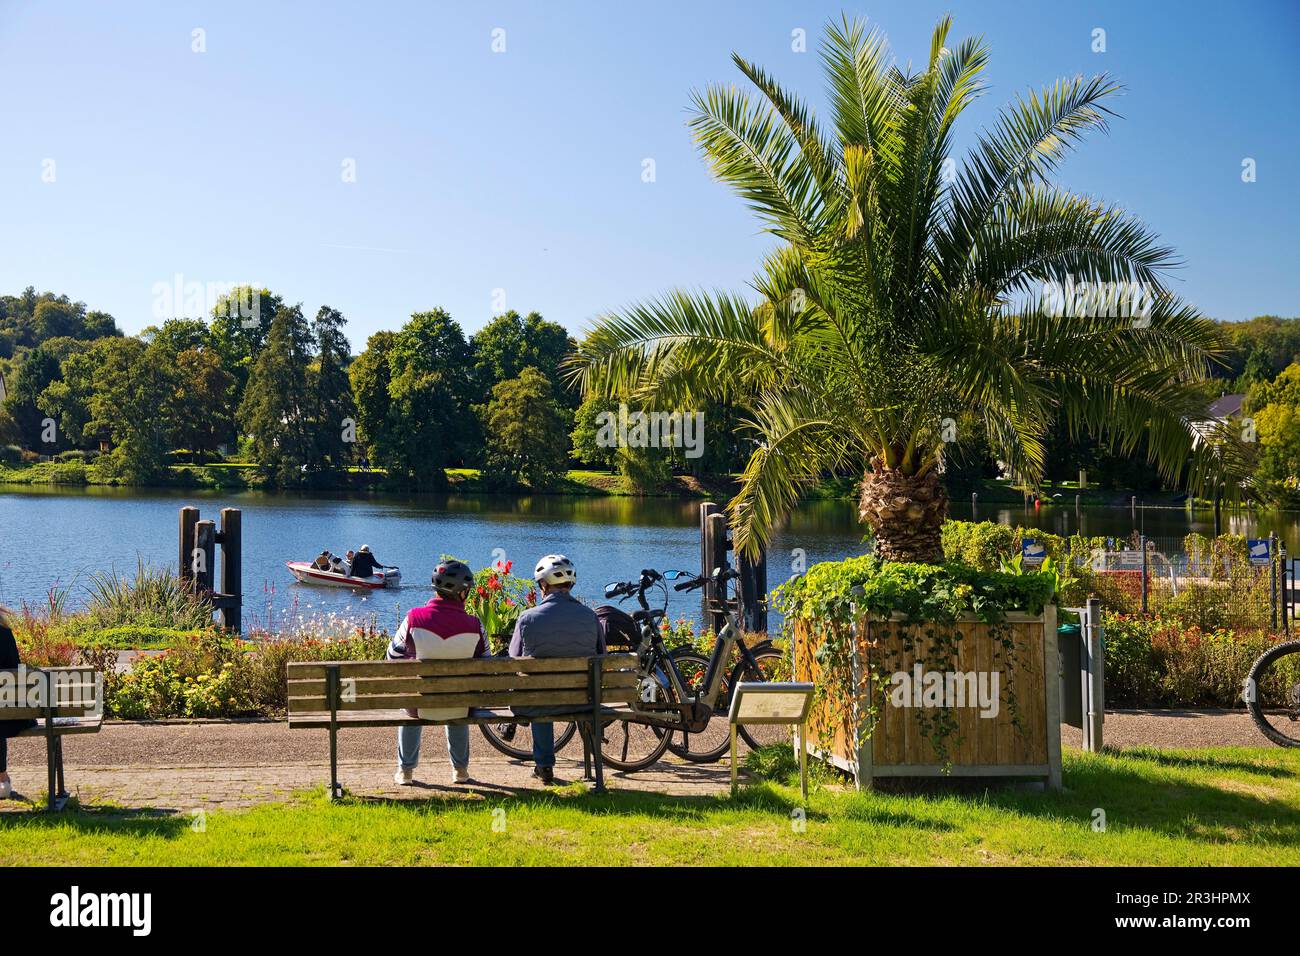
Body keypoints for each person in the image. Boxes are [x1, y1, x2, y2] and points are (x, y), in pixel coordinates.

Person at [509, 554, 604, 785]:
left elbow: (513, 658)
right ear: (570, 585)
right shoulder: (591, 616)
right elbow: (602, 656)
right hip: (584, 700)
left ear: (543, 584)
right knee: (547, 692)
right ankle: (595, 773)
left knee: (539, 694)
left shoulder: (527, 618)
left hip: (539, 700)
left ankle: (544, 765)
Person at [389, 560, 486, 785]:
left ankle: (405, 772)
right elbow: (486, 663)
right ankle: (460, 771)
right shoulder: (474, 625)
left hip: (419, 704)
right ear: (462, 593)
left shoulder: (414, 617)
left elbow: (392, 657)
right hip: (461, 703)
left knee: (411, 697)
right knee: (460, 696)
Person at [0, 608, 37, 800]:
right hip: (11, 717)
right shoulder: (5, 635)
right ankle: (2, 778)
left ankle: (2, 778)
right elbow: (17, 674)